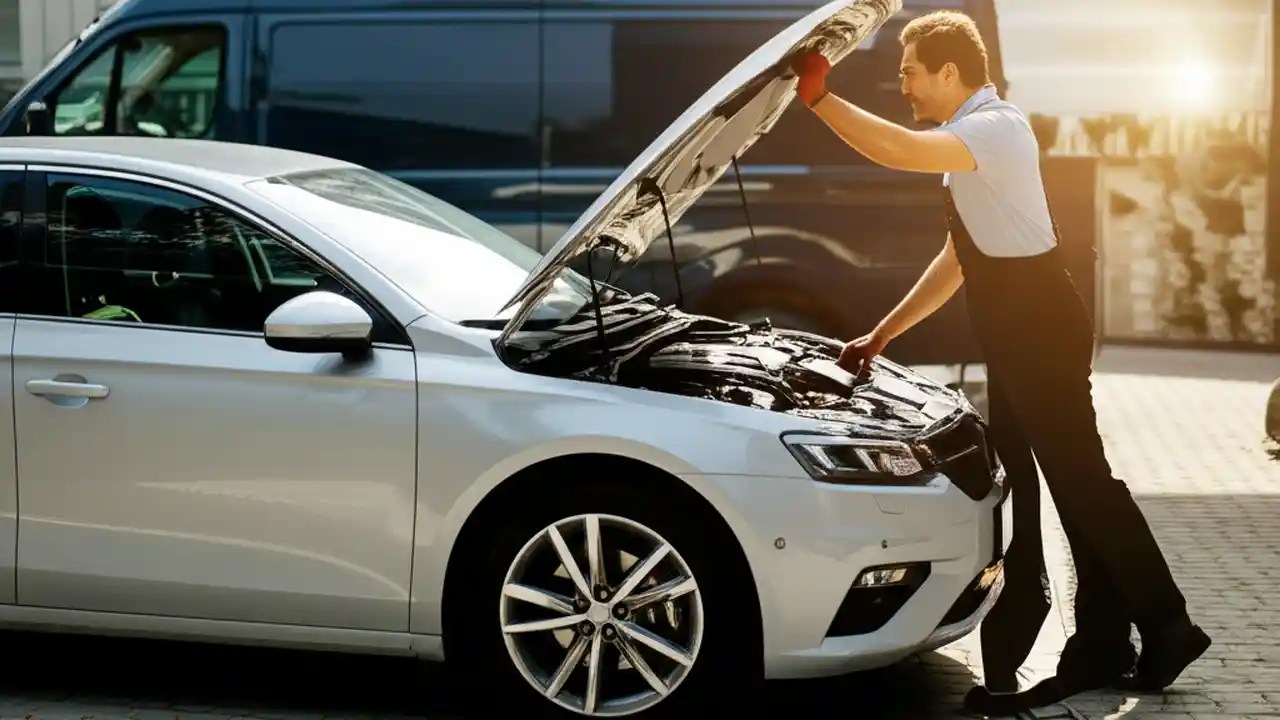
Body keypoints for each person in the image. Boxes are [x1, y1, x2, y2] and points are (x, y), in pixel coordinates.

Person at [789, 10, 1211, 716]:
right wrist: (884, 333)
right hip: (1018, 333)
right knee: (1052, 483)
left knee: (1084, 483)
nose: (903, 86)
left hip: (1041, 330)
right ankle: (1108, 642)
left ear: (951, 73)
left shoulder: (995, 128)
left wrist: (821, 98)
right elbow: (959, 258)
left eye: (910, 72)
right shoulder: (971, 146)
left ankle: (1167, 625)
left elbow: (896, 149)